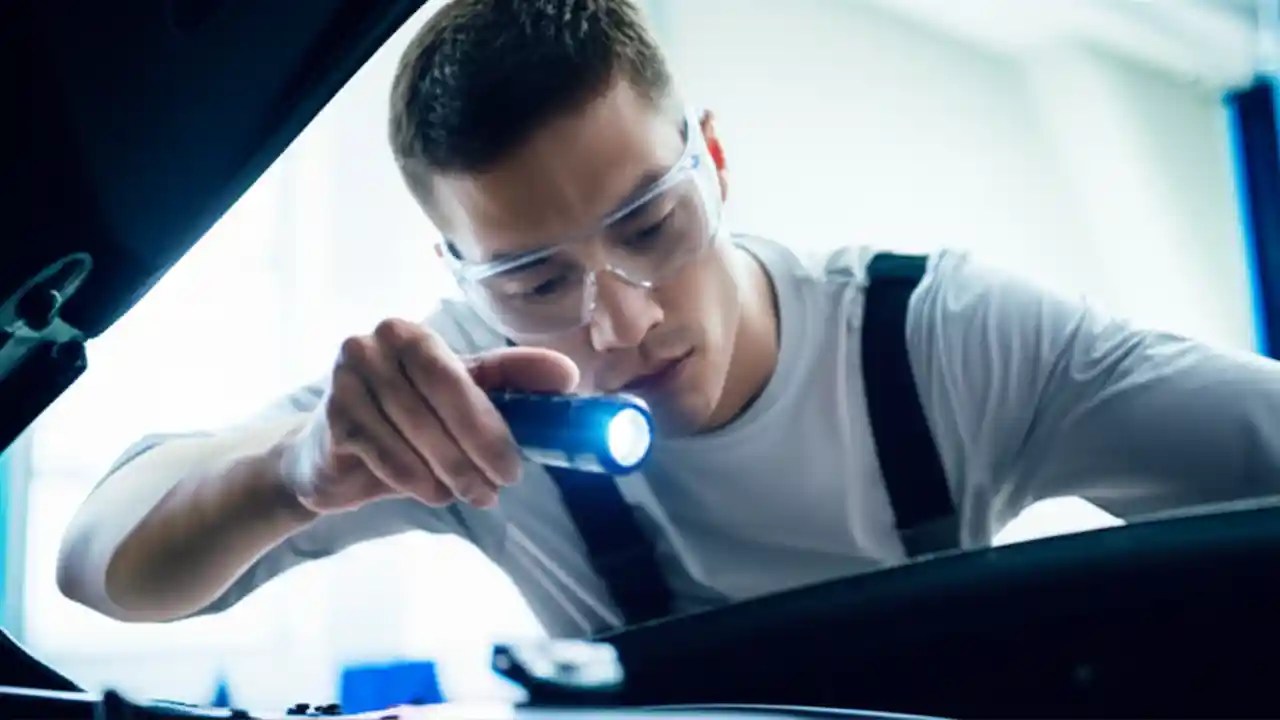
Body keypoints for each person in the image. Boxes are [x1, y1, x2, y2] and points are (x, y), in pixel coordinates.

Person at [56, 0, 1280, 638]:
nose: (620, 321)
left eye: (648, 224)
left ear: (714, 160)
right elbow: (94, 568)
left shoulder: (946, 337)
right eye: (535, 279)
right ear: (464, 278)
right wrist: (294, 472)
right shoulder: (460, 406)